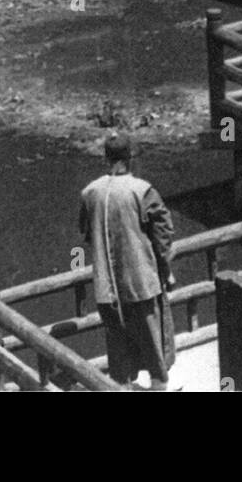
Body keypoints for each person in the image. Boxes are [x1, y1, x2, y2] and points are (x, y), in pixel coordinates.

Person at [79, 132, 181, 391]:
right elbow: (164, 235)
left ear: (106, 158)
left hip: (106, 288)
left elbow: (87, 233)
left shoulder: (90, 192)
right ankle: (158, 388)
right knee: (153, 344)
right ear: (130, 157)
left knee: (118, 349)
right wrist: (165, 269)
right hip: (141, 282)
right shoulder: (142, 190)